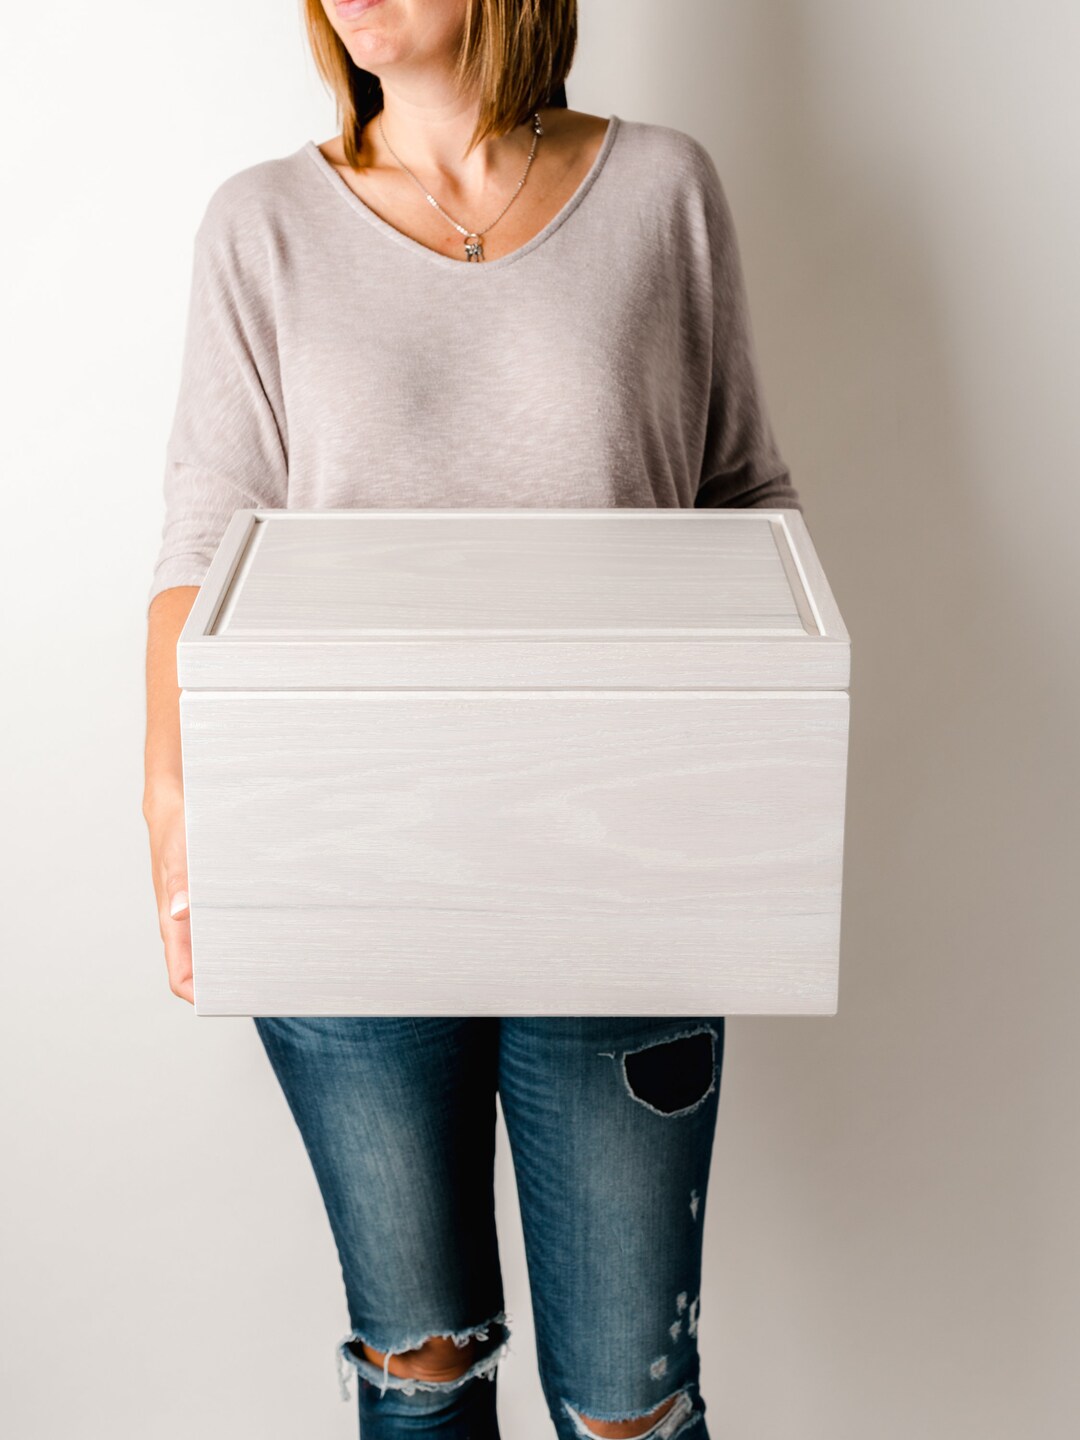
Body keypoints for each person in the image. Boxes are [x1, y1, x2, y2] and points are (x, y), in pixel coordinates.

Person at [142, 2, 802, 1436]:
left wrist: (765, 780)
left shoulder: (664, 189)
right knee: (417, 1368)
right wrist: (173, 807)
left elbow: (745, 497)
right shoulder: (260, 225)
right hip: (342, 867)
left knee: (630, 1404)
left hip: (627, 876)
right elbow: (204, 538)